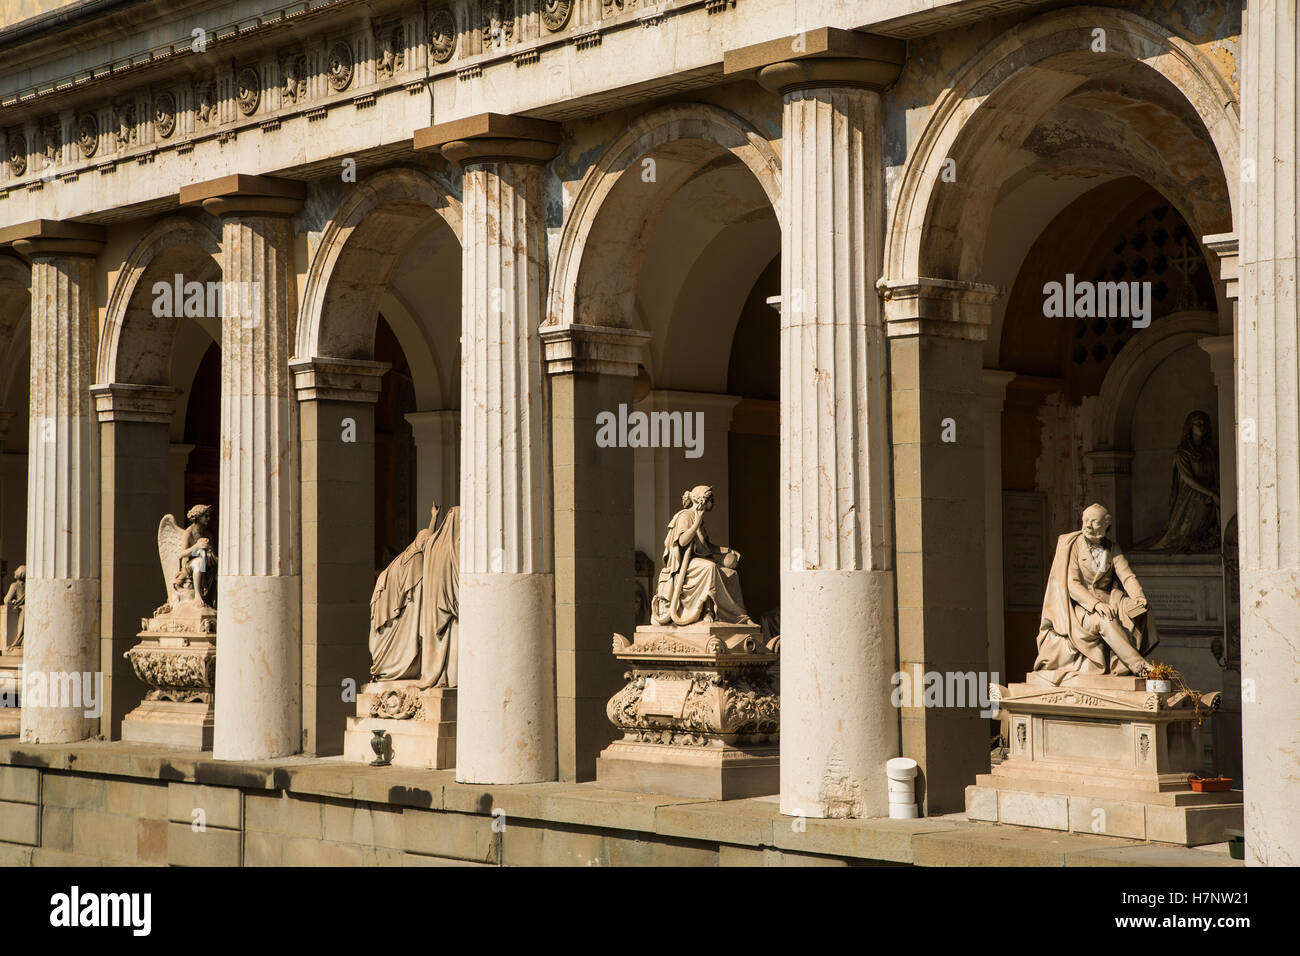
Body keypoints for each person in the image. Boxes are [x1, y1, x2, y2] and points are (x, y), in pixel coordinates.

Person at [1032, 503, 1157, 684]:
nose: (1088, 526)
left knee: (1141, 610)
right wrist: (1096, 605)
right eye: (1085, 521)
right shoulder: (1073, 545)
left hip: (1110, 600)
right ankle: (1139, 666)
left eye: (1094, 522)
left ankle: (1122, 665)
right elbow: (1072, 585)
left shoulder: (1112, 549)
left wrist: (1139, 597)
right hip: (1080, 608)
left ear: (1106, 524)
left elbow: (1127, 576)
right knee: (1104, 621)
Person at [368, 501, 459, 688]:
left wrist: (434, 517)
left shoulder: (404, 559)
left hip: (385, 635)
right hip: (399, 627)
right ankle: (403, 658)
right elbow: (415, 605)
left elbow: (427, 540)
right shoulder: (415, 562)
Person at [650, 485, 752, 626]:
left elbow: (707, 547)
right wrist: (696, 522)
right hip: (684, 565)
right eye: (711, 498)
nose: (714, 502)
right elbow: (682, 541)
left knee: (731, 573)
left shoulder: (700, 519)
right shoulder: (686, 515)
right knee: (710, 568)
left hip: (697, 561)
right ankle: (708, 610)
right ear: (702, 500)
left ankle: (738, 617)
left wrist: (727, 551)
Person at [1145, 410, 1220, 552]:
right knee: (1178, 537)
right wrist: (1211, 493)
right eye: (1198, 423)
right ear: (1190, 427)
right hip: (1191, 500)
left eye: (1204, 423)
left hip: (1209, 500)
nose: (1201, 426)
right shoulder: (1183, 452)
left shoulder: (1209, 452)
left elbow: (1215, 475)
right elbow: (1187, 478)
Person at [3, 565, 24, 649]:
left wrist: (13, 602)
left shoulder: (14, 585)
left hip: (21, 610)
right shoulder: (28, 585)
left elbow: (6, 600)